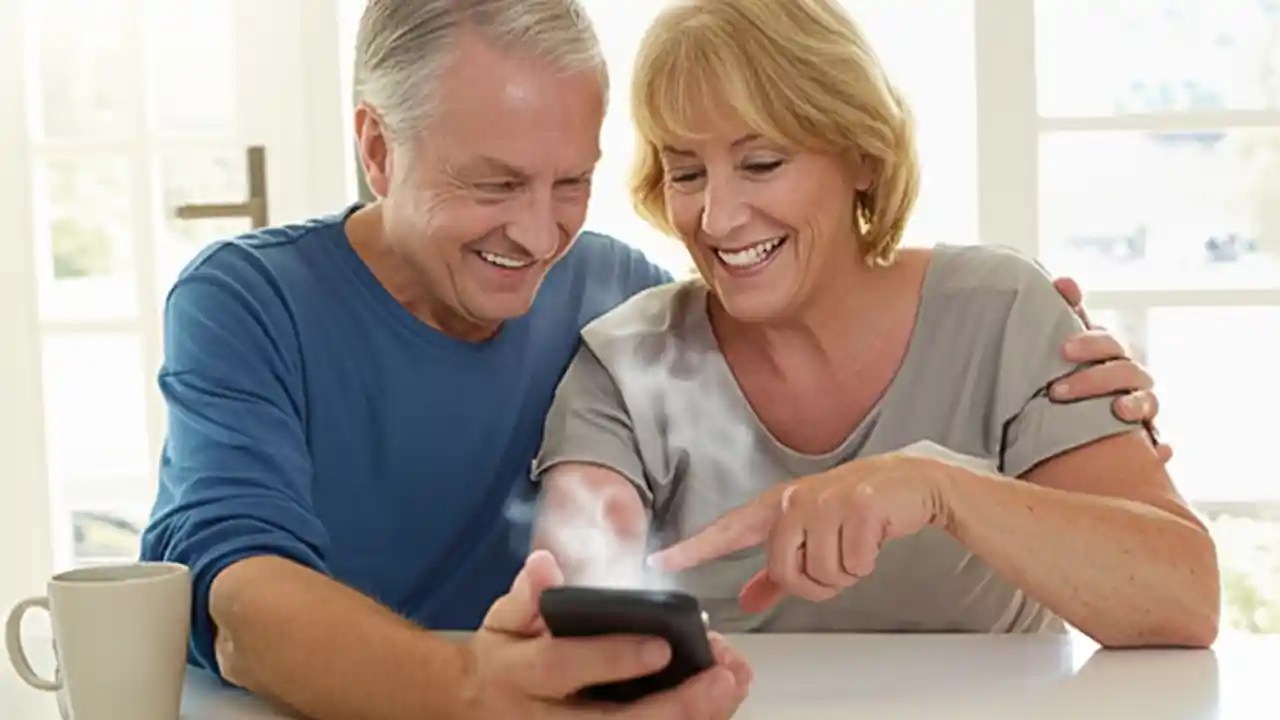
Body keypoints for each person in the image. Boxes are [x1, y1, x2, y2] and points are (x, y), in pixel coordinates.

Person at [139, 0, 1168, 717]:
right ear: (376, 149)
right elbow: (241, 603)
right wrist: (477, 692)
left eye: (568, 183)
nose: (538, 235)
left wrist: (1054, 386)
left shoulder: (609, 292)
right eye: (492, 186)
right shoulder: (249, 301)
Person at [532, 0, 1219, 649]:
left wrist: (940, 489)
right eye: (686, 174)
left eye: (762, 164)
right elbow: (573, 600)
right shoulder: (626, 360)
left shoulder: (1003, 311)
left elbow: (1184, 599)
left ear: (861, 155)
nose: (717, 218)